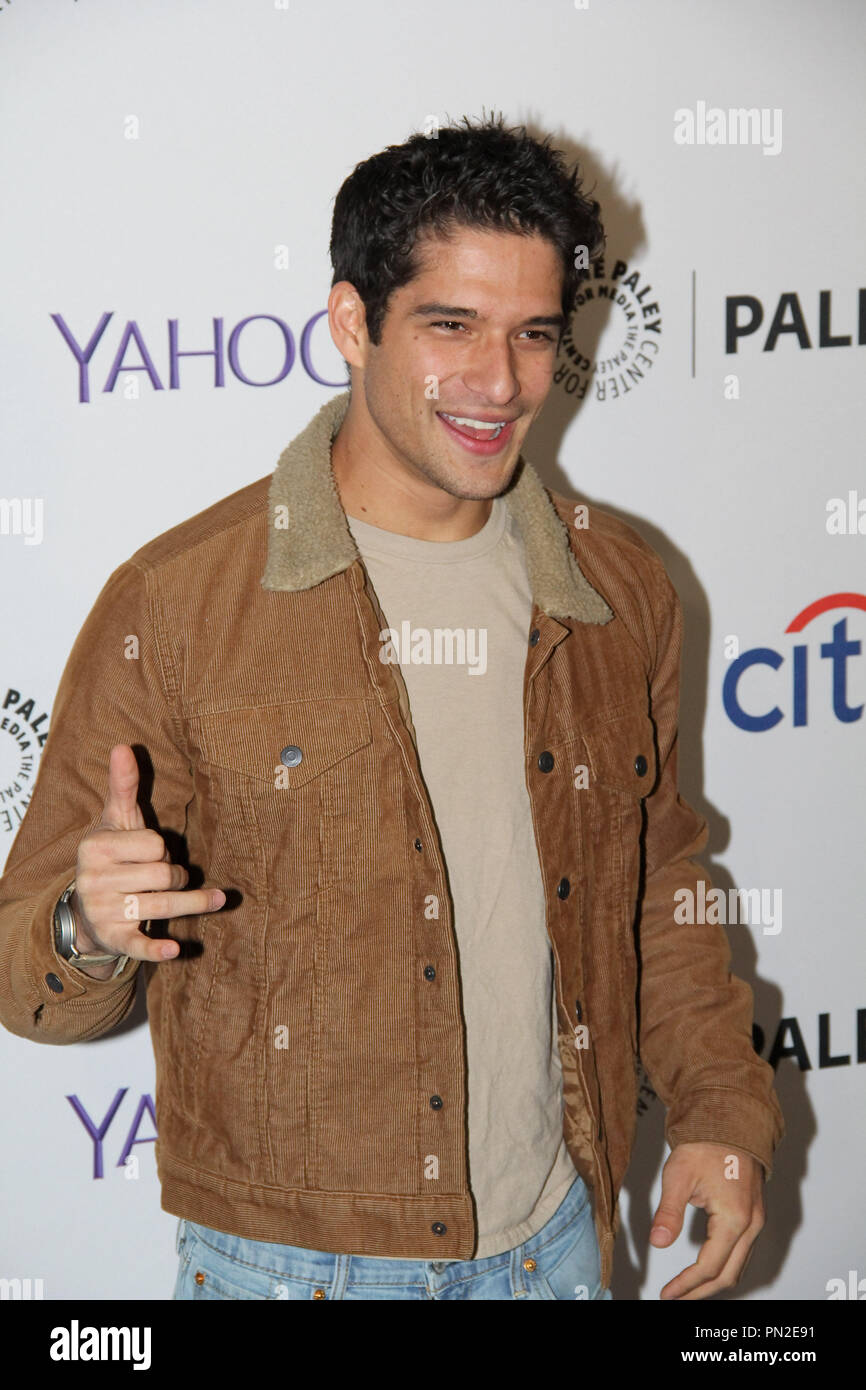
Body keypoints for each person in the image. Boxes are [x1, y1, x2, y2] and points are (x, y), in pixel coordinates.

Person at [0, 114, 783, 1301]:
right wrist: (84, 929)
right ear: (353, 322)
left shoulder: (617, 586)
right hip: (288, 1266)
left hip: (557, 1239)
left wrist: (719, 1107)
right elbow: (24, 972)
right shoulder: (180, 601)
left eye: (531, 334)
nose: (499, 382)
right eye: (449, 326)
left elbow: (659, 875)